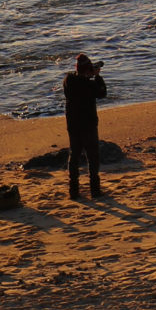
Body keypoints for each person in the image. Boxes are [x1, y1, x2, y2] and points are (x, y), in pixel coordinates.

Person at [61, 54, 110, 200]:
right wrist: (97, 76)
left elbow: (75, 83)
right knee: (93, 156)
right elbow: (102, 93)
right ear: (87, 70)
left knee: (74, 155)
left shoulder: (68, 81)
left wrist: (89, 74)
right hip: (88, 124)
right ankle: (95, 190)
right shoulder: (89, 85)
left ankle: (73, 190)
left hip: (73, 124)